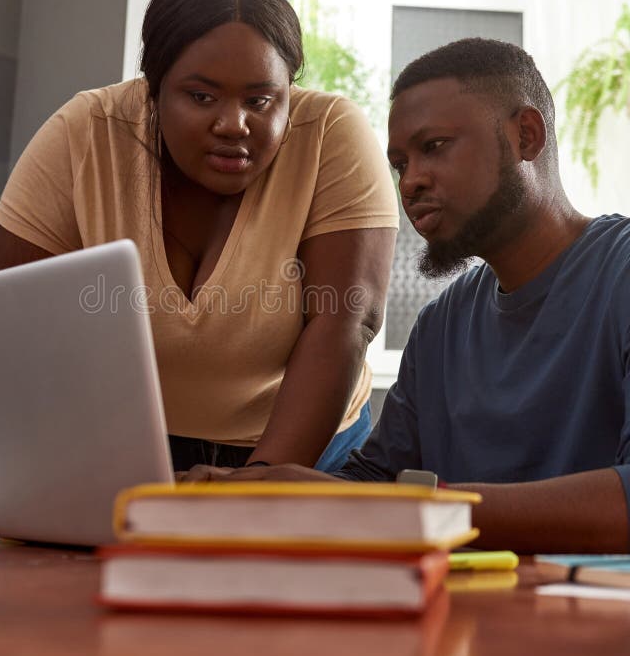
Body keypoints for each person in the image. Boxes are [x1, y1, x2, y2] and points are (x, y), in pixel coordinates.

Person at [184, 37, 630, 554]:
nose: (411, 182)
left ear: (525, 136)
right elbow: (373, 488)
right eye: (400, 164)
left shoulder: (619, 273)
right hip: (455, 621)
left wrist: (402, 510)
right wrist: (270, 492)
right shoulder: (441, 325)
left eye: (434, 147)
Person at [0, 0, 399, 473]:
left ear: (289, 91)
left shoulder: (332, 134)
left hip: (307, 449)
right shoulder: (85, 132)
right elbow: (9, 321)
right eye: (201, 97)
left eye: (260, 100)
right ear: (153, 90)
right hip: (126, 446)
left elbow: (346, 321)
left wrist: (259, 487)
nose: (233, 124)